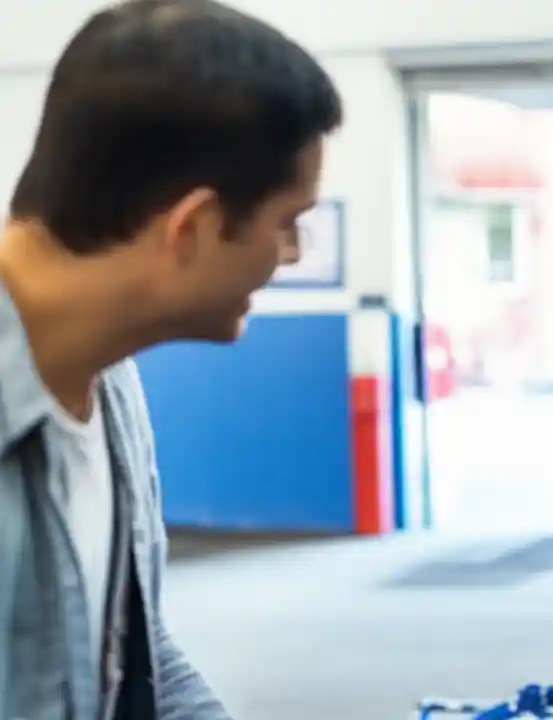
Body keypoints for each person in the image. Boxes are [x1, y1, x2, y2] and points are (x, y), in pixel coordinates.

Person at [0, 0, 342, 717]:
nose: (293, 254)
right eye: (287, 224)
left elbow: (128, 659)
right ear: (194, 227)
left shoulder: (110, 381)